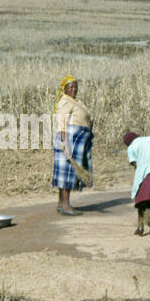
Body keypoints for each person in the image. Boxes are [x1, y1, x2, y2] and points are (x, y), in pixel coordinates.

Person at [52, 75, 93, 215]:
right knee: (67, 173)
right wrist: (64, 144)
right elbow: (61, 122)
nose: (74, 89)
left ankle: (61, 204)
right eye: (71, 87)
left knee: (69, 172)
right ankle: (65, 205)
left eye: (75, 86)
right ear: (64, 89)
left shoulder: (75, 101)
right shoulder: (64, 102)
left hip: (77, 140)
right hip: (69, 139)